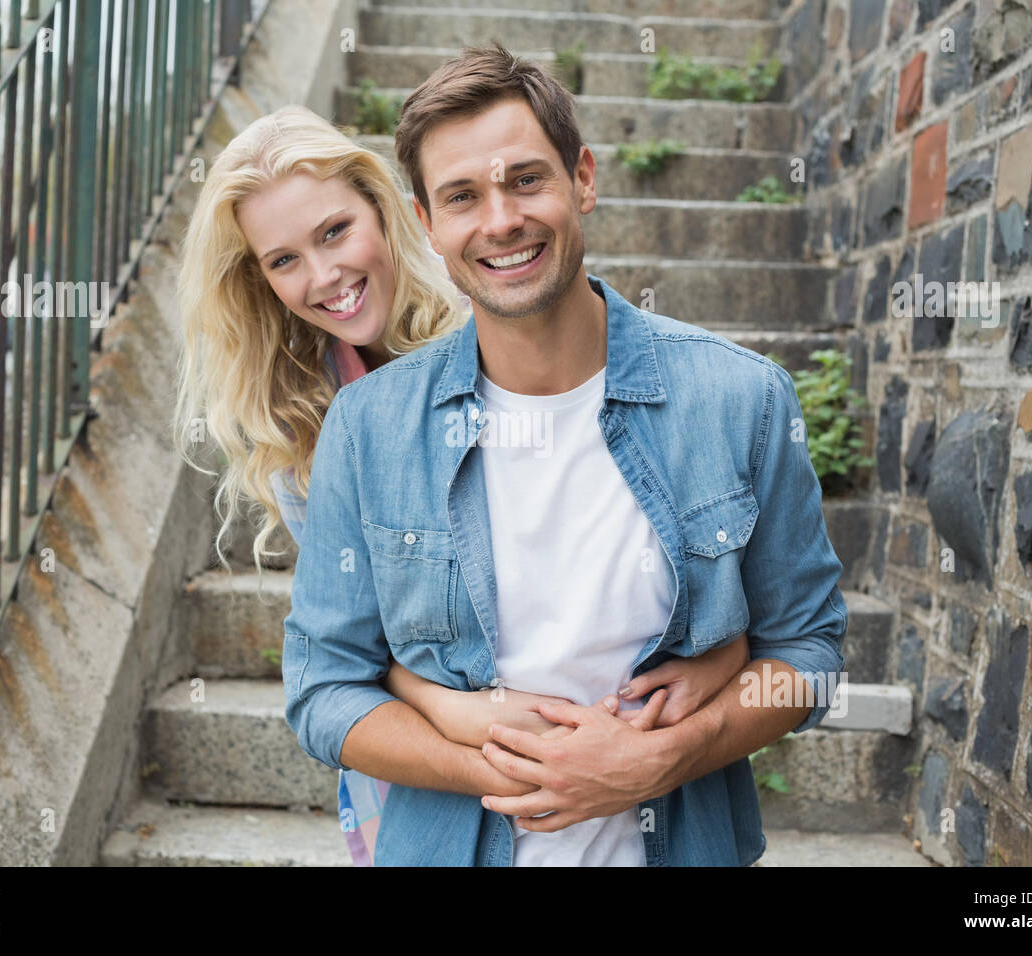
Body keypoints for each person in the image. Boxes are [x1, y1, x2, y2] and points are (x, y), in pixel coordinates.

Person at [282, 43, 848, 866]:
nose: (501, 220)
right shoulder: (369, 429)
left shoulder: (741, 401)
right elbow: (325, 691)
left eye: (525, 179)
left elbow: (809, 654)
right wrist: (502, 766)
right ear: (426, 225)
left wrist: (661, 761)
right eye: (463, 196)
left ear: (582, 178)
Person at [173, 104, 752, 866]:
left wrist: (718, 661)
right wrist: (455, 709)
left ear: (392, 213)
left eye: (335, 232)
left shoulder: (503, 321)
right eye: (283, 260)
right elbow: (350, 656)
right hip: (425, 770)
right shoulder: (304, 422)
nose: (325, 277)